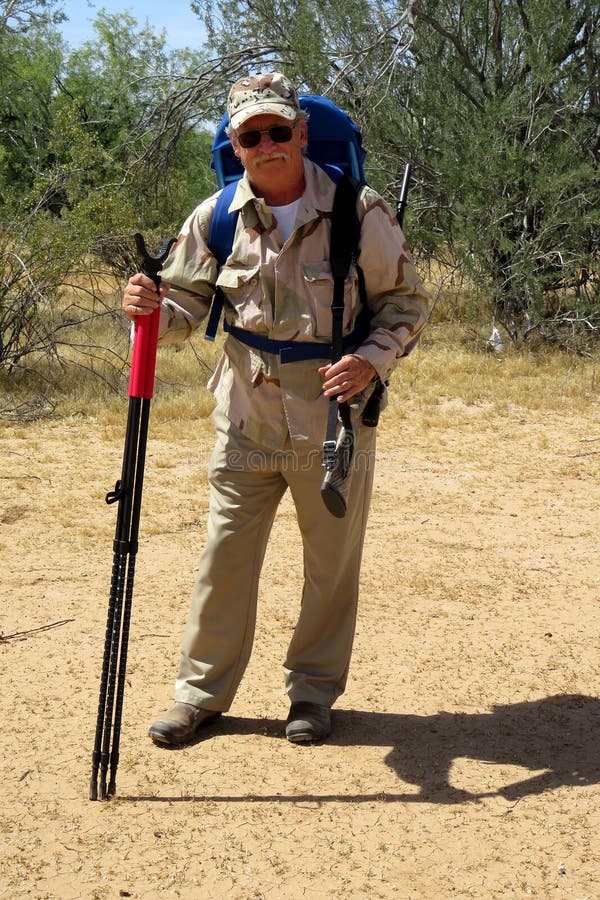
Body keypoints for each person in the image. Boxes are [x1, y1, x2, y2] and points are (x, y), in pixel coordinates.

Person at [122, 72, 429, 746]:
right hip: (245, 416)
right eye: (251, 135)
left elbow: (406, 303)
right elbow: (185, 305)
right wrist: (151, 312)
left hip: (333, 421)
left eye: (278, 131)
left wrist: (371, 360)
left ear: (301, 133)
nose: (266, 144)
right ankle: (200, 696)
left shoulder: (358, 210)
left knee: (330, 566)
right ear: (236, 143)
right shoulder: (217, 216)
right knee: (224, 556)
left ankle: (313, 695)